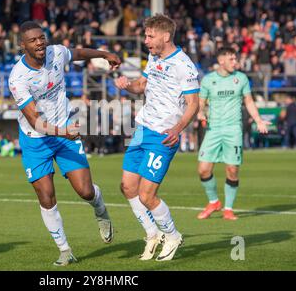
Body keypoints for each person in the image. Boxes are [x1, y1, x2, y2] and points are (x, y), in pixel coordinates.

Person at [8, 21, 121, 266]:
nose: (40, 42)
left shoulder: (56, 53)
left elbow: (78, 54)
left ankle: (100, 210)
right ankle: (65, 250)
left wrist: (104, 55)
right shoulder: (18, 78)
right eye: (33, 40)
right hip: (36, 139)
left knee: (85, 191)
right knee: (46, 196)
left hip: (64, 131)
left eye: (41, 37)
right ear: (22, 45)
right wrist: (63, 132)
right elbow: (35, 121)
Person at [114, 14, 200, 261]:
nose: (146, 40)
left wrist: (178, 128)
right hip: (142, 128)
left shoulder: (184, 65)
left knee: (147, 195)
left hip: (163, 136)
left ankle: (172, 235)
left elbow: (193, 104)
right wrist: (127, 84)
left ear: (166, 36)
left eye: (150, 36)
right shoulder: (153, 57)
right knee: (127, 187)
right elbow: (142, 85)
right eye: (145, 35)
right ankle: (153, 234)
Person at [197, 47, 270, 221]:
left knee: (232, 170)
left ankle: (228, 208)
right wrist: (200, 112)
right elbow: (201, 103)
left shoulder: (241, 78)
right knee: (203, 170)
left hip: (233, 130)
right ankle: (214, 202)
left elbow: (249, 101)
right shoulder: (208, 80)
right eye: (231, 59)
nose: (235, 63)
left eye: (235, 59)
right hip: (213, 130)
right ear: (221, 61)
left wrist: (258, 120)